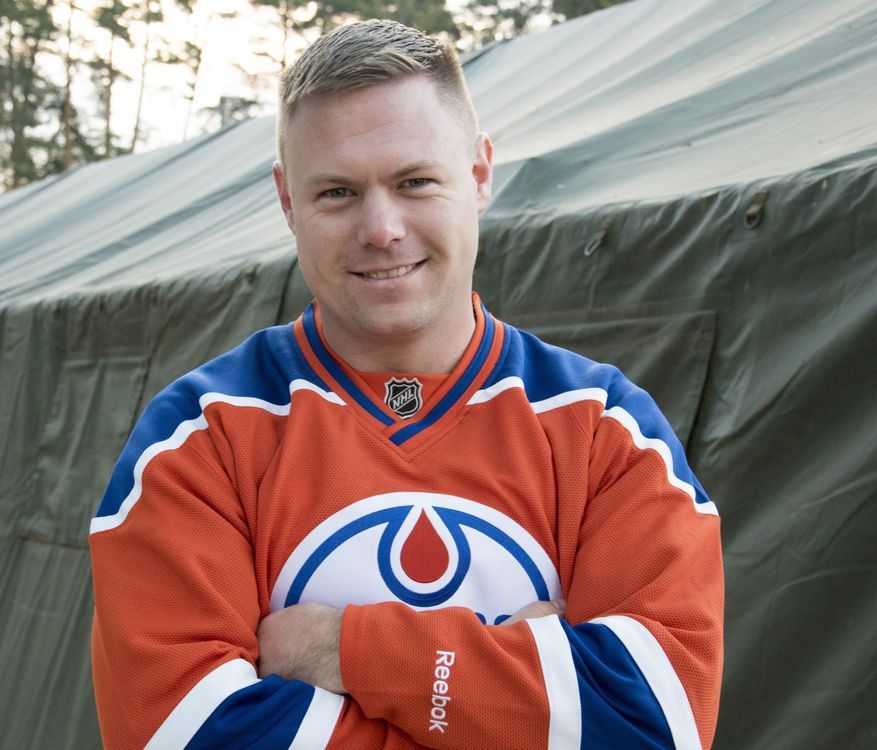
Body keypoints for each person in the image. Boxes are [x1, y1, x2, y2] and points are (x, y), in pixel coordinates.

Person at [89, 19, 723, 750]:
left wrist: (341, 650)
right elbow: (182, 732)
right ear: (287, 202)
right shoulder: (199, 440)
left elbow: (658, 723)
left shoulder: (607, 430)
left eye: (415, 181)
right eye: (336, 193)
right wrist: (525, 686)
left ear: (480, 175)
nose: (381, 228)